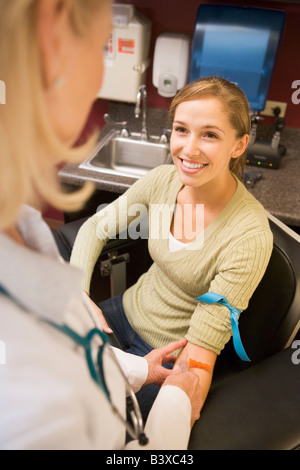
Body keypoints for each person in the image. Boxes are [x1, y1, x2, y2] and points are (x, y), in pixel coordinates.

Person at [0, 0, 203, 450]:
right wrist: (173, 405)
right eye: (103, 42)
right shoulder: (31, 407)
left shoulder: (20, 229)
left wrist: (137, 371)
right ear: (54, 35)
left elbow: (71, 351)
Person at [70, 76, 274, 416]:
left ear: (239, 145)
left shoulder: (248, 236)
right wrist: (77, 294)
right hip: (120, 313)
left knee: (96, 424)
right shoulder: (164, 180)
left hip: (166, 353)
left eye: (210, 134)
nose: (189, 149)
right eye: (181, 129)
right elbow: (96, 227)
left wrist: (182, 409)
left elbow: (201, 354)